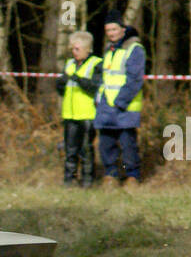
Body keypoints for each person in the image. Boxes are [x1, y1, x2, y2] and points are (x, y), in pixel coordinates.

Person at [95, 10, 146, 189]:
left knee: (127, 145)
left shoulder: (134, 49)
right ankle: (111, 175)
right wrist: (99, 99)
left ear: (123, 29)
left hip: (125, 107)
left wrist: (120, 102)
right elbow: (105, 77)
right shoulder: (109, 50)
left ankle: (132, 176)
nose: (111, 33)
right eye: (108, 30)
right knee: (106, 145)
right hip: (106, 106)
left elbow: (135, 79)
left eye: (114, 29)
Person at [54, 30, 102, 187]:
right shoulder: (69, 64)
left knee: (86, 150)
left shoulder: (96, 63)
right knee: (70, 150)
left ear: (87, 49)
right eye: (72, 49)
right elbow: (62, 90)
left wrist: (78, 79)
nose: (74, 52)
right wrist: (60, 84)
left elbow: (95, 86)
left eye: (77, 49)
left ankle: (88, 180)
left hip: (87, 114)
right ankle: (70, 179)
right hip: (70, 114)